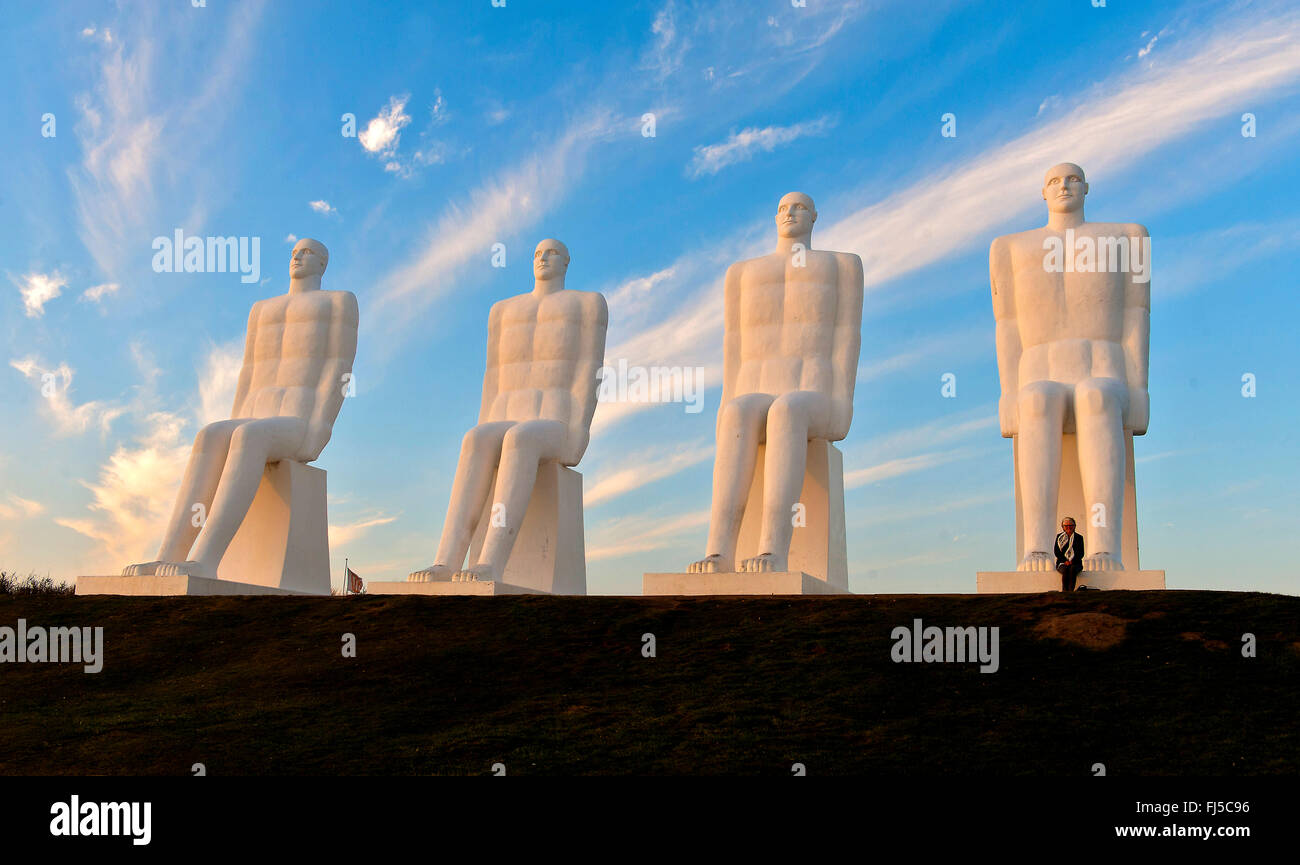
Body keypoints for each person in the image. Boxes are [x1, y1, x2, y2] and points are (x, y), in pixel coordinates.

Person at [1055, 518, 1084, 591]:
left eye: (1071, 525)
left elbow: (1081, 553)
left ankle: (1070, 591)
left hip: (1076, 563)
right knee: (1065, 569)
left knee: (1072, 569)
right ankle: (1065, 591)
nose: (1068, 527)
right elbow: (1057, 552)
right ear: (1063, 527)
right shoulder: (1059, 538)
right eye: (1066, 526)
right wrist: (1065, 561)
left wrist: (1072, 561)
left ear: (1074, 526)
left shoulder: (1079, 537)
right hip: (1062, 563)